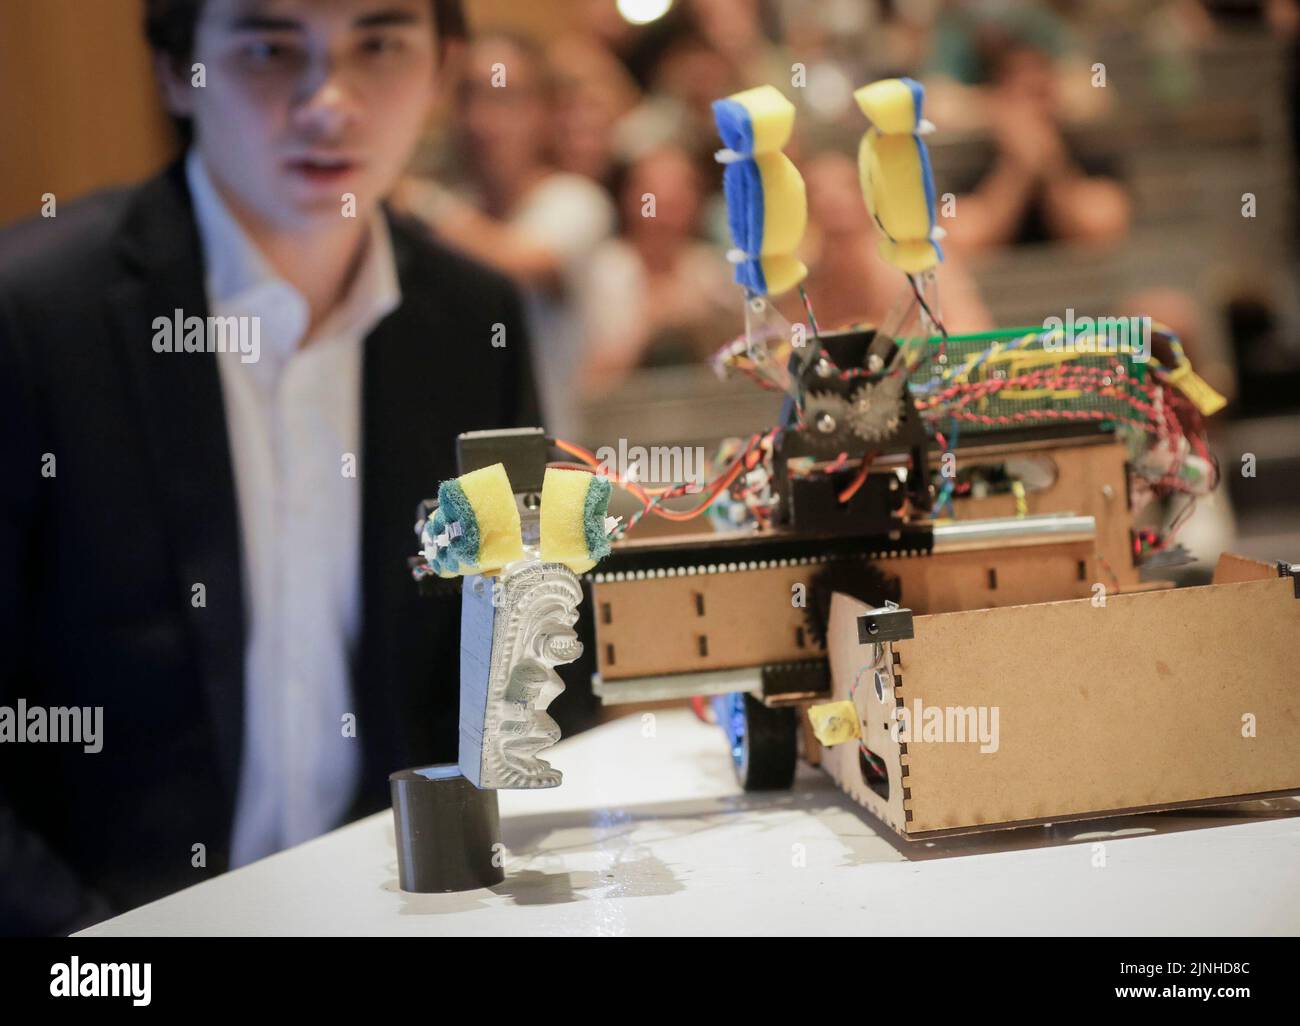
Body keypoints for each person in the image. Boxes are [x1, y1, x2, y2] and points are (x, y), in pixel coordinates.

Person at [0, 0, 539, 936]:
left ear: (444, 66)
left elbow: (521, 672)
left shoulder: (470, 322)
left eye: (378, 44)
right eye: (267, 48)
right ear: (175, 70)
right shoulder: (36, 316)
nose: (329, 101)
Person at [396, 33, 615, 439]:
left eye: (503, 97)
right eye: (468, 97)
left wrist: (414, 200)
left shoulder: (574, 201)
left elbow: (521, 264)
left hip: (547, 460)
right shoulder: (452, 208)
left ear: (545, 112)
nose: (481, 119)